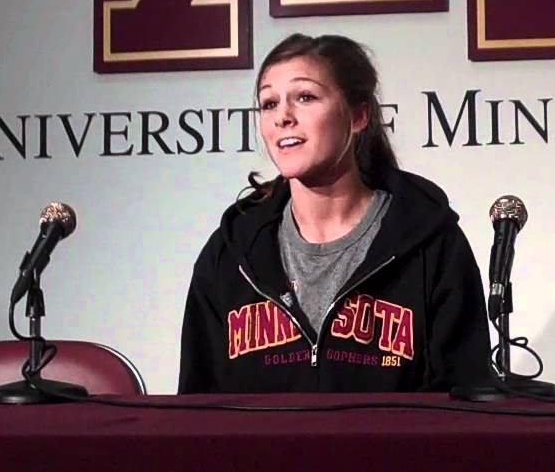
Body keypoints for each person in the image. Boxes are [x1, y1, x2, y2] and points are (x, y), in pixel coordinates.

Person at [178, 33, 490, 392]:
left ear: (358, 116)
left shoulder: (431, 243)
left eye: (305, 97)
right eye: (268, 103)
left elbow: (463, 402)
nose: (283, 117)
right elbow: (197, 409)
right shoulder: (230, 253)